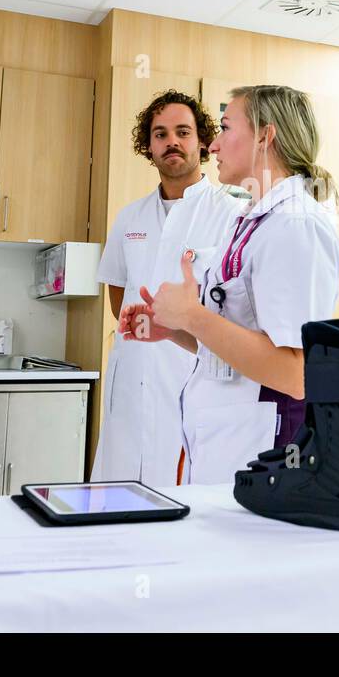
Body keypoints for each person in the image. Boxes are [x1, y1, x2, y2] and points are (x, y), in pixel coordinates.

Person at [119, 84, 339, 484]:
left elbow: (295, 374)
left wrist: (191, 314)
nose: (214, 145)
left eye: (224, 128)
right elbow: (235, 342)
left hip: (265, 445)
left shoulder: (296, 225)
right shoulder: (251, 221)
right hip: (226, 441)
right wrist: (174, 330)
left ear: (264, 135)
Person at [92, 90, 241, 486]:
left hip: (192, 374)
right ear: (149, 146)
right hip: (131, 377)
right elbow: (118, 295)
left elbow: (237, 311)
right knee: (119, 490)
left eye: (182, 132)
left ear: (202, 141)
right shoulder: (130, 217)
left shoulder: (230, 216)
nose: (171, 141)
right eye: (160, 134)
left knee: (182, 497)